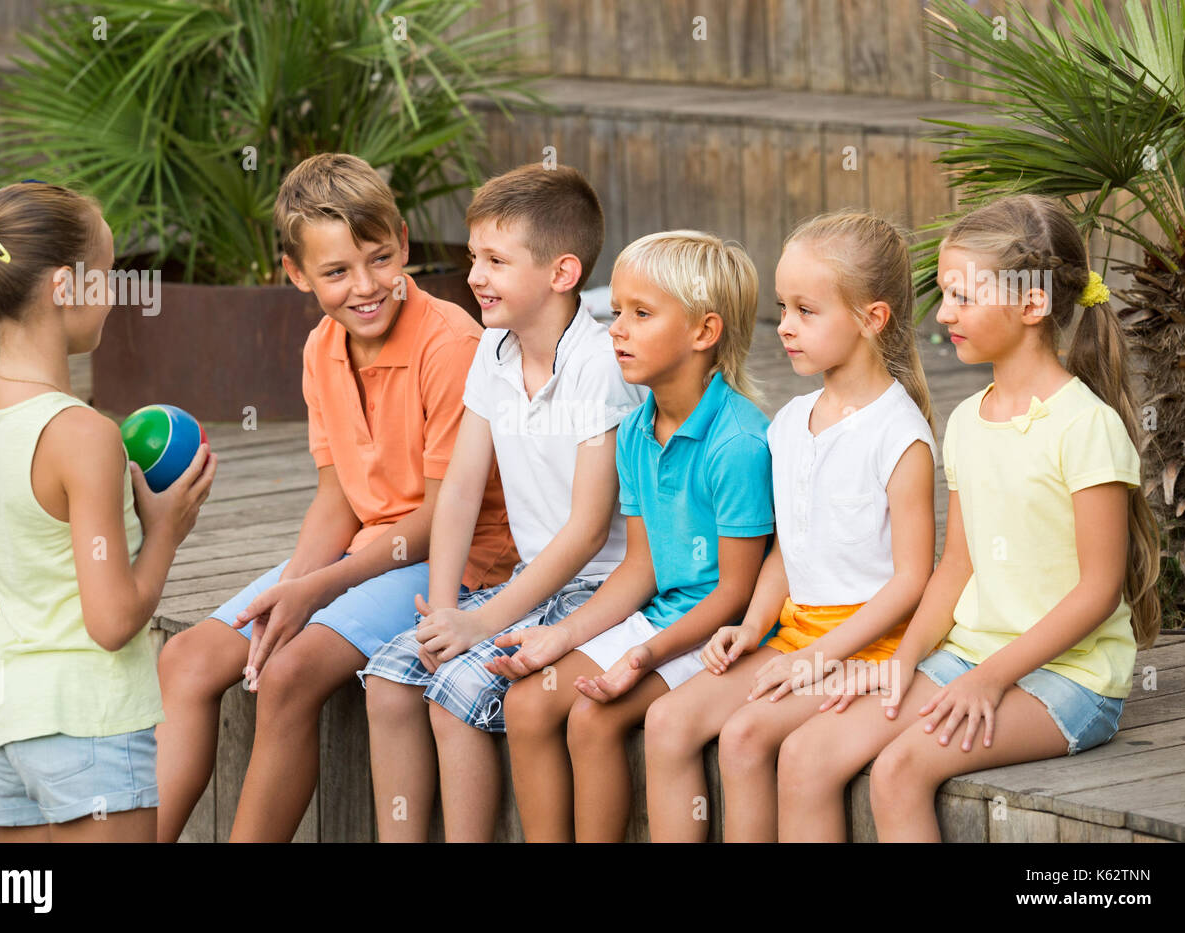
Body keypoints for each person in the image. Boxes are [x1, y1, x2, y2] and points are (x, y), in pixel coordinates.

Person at [154, 153, 517, 842]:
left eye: (380, 259)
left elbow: (442, 517)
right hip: (365, 552)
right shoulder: (322, 347)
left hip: (455, 562)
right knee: (187, 659)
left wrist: (320, 588)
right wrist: (293, 587)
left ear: (405, 243)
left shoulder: (453, 345)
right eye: (336, 272)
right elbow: (336, 500)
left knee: (287, 673)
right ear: (294, 274)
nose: (366, 286)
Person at [776, 193, 1159, 842]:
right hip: (969, 656)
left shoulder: (1084, 427)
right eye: (945, 296)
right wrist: (905, 659)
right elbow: (957, 565)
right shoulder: (967, 420)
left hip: (1070, 677)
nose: (944, 315)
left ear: (1032, 305)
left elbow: (1097, 592)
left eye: (963, 298)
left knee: (898, 769)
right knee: (806, 755)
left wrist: (989, 678)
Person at [359, 164, 645, 842]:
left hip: (594, 589)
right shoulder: (493, 347)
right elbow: (459, 485)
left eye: (495, 260)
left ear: (562, 272)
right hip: (527, 582)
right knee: (392, 678)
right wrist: (445, 608)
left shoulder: (597, 365)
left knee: (456, 697)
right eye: (472, 258)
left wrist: (481, 619)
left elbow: (583, 532)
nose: (476, 276)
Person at [644, 210, 937, 842]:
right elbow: (786, 552)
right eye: (782, 307)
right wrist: (749, 627)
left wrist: (819, 657)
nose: (786, 328)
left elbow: (913, 580)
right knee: (668, 721)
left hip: (871, 647)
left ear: (871, 318)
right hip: (795, 634)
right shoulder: (789, 422)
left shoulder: (900, 436)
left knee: (747, 734)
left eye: (807, 311)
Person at [0, 181, 216, 841]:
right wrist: (166, 532)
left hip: (5, 724)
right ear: (66, 286)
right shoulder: (84, 435)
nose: (116, 294)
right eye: (109, 275)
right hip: (87, 722)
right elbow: (113, 619)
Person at [494, 230, 774, 842]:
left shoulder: (739, 445)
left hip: (722, 635)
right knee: (528, 702)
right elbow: (641, 569)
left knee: (593, 719)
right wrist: (560, 635)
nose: (615, 328)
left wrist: (643, 655)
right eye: (615, 310)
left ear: (704, 332)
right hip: (661, 614)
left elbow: (736, 593)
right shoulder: (634, 430)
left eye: (640, 314)